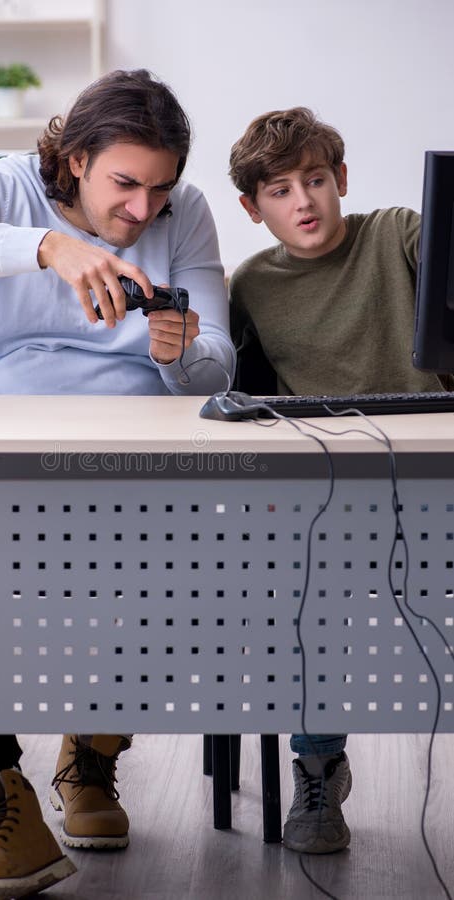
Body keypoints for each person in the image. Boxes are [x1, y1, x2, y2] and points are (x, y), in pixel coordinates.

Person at [0, 68, 235, 899]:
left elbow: (217, 363)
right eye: (124, 184)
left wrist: (182, 353)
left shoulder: (182, 214)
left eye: (160, 187)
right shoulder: (3, 188)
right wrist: (44, 246)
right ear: (74, 158)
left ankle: (91, 752)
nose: (143, 211)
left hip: (131, 458)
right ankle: (5, 805)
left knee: (189, 559)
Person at [228, 106, 450, 855]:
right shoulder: (250, 287)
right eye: (280, 190)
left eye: (315, 180)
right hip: (332, 493)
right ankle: (317, 767)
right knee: (308, 588)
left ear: (340, 179)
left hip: (438, 471)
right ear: (252, 209)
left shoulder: (399, 231)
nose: (304, 203)